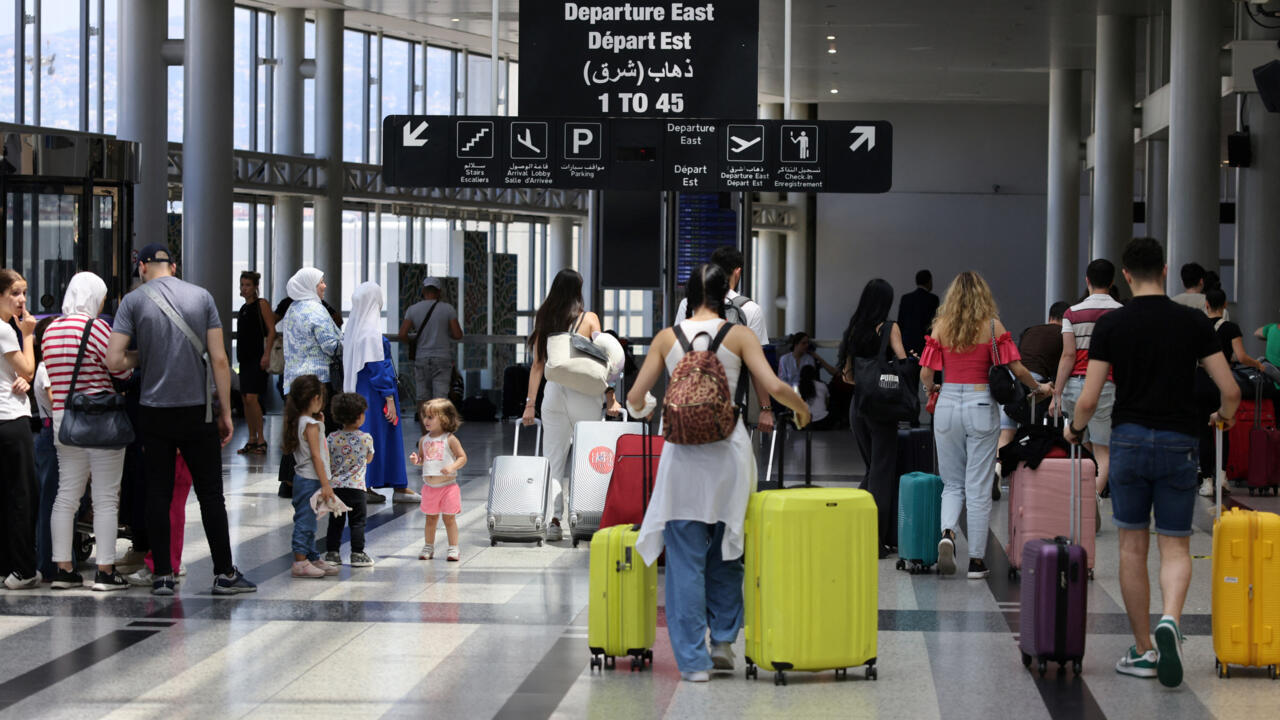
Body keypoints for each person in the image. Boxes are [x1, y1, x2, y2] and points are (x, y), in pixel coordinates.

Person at [1064, 237, 1239, 687]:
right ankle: (1171, 621)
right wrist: (1224, 417)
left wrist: (1075, 430)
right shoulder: (1193, 321)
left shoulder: (1112, 326)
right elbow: (1231, 390)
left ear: (1125, 274)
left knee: (1131, 547)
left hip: (1128, 442)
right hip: (1180, 441)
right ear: (1165, 269)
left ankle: (1144, 648)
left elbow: (1087, 398)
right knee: (1176, 545)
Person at [626, 263, 810, 683]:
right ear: (726, 292)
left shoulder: (666, 339)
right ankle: (724, 641)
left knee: (685, 559)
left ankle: (693, 662)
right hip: (729, 453)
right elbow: (776, 387)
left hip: (681, 459)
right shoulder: (740, 335)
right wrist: (802, 410)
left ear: (689, 294)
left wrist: (647, 409)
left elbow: (636, 397)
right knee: (729, 549)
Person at [105, 243, 256, 596]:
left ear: (142, 267)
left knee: (157, 493)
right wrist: (223, 412)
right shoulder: (201, 297)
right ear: (173, 266)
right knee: (210, 495)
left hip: (153, 412)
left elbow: (114, 361)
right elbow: (220, 359)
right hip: (196, 412)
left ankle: (162, 576)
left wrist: (144, 357)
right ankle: (224, 573)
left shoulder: (133, 301)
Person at [919, 271, 1050, 579]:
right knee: (977, 486)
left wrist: (932, 390)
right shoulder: (992, 326)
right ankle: (977, 561)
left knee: (952, 483)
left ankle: (948, 534)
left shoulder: (941, 326)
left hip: (948, 402)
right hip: (980, 404)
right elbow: (1016, 368)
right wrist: (1038, 389)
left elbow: (926, 372)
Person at [45, 272, 133, 591]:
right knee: (106, 497)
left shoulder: (51, 330)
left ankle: (63, 569)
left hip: (63, 420)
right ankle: (105, 571)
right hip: (100, 419)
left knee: (67, 494)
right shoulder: (97, 328)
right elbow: (119, 368)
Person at [522, 269, 619, 541]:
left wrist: (530, 404)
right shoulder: (589, 319)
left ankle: (554, 521)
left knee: (553, 460)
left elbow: (538, 365)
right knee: (588, 457)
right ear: (579, 290)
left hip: (553, 392)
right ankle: (585, 515)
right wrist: (610, 396)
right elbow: (604, 361)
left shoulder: (545, 317)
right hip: (584, 393)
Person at [837, 278, 908, 557]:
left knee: (872, 469)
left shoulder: (854, 329)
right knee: (881, 473)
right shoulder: (890, 328)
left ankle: (851, 523)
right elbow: (902, 364)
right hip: (881, 410)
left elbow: (847, 375)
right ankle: (873, 538)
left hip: (858, 407)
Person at [674, 246, 776, 433]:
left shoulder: (688, 303)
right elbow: (757, 367)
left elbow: (677, 354)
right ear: (738, 271)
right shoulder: (750, 309)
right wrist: (765, 409)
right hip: (731, 404)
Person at [1053, 259, 1123, 521]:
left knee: (1078, 444)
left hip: (1074, 386)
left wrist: (1057, 393)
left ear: (1087, 280)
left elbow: (1068, 355)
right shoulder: (1120, 312)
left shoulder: (1072, 313)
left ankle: (1079, 497)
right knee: (1104, 449)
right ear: (1113, 281)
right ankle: (1092, 495)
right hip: (1106, 384)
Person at [346, 282, 414, 504]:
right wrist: (389, 399)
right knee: (379, 437)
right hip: (376, 397)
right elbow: (379, 369)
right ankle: (393, 485)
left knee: (367, 437)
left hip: (360, 392)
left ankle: (367, 484)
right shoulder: (371, 333)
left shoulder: (353, 330)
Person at [1195, 288, 1264, 496]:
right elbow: (1241, 356)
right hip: (1222, 381)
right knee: (1223, 428)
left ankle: (1206, 481)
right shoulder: (1231, 328)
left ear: (1206, 304)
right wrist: (1257, 365)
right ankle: (1222, 477)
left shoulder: (1198, 326)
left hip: (1200, 381)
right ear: (1225, 305)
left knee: (1204, 432)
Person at [0, 268, 40, 589]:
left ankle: (7, 565)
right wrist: (27, 334)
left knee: (7, 495)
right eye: (14, 293)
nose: (22, 299)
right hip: (12, 419)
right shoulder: (6, 330)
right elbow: (27, 367)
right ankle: (24, 569)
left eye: (24, 292)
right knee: (23, 496)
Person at [282, 374, 339, 579]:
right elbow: (317, 456)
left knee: (309, 520)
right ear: (315, 399)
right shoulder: (311, 426)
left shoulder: (301, 421)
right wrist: (326, 484)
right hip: (311, 479)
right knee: (305, 522)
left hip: (302, 479)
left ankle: (311, 556)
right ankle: (300, 563)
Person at [323, 392, 375, 568]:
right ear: (360, 416)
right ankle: (357, 553)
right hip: (357, 487)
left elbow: (326, 459)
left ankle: (332, 553)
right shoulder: (366, 438)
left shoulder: (331, 438)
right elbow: (369, 458)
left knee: (335, 522)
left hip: (336, 487)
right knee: (357, 522)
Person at [411, 398, 467, 562]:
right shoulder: (424, 440)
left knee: (449, 519)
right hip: (429, 488)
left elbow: (462, 457)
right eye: (424, 417)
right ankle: (429, 545)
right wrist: (417, 460)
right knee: (430, 519)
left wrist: (452, 467)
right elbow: (424, 459)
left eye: (430, 417)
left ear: (444, 419)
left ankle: (453, 547)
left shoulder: (450, 439)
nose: (425, 421)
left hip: (448, 487)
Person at [399, 277, 463, 405]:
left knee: (422, 396)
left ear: (423, 291)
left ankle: (425, 424)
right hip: (442, 359)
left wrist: (412, 342)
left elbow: (402, 334)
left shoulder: (413, 309)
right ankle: (438, 425)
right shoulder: (448, 309)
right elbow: (458, 334)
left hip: (421, 358)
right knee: (440, 399)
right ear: (439, 292)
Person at [235, 271, 276, 455]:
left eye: (248, 285)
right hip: (244, 359)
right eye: (242, 285)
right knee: (245, 399)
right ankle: (251, 438)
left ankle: (261, 439)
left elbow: (271, 331)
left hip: (258, 358)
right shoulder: (243, 309)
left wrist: (266, 354)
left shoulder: (261, 304)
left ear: (255, 287)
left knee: (252, 398)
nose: (244, 288)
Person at [31, 317, 59, 581]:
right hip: (51, 435)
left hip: (49, 434)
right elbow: (54, 398)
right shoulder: (46, 367)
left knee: (54, 501)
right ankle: (49, 564)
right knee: (51, 502)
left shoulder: (46, 366)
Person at [898, 269, 940, 358]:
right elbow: (934, 323)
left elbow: (900, 323)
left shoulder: (906, 298)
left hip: (908, 343)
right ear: (929, 281)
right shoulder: (933, 299)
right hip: (925, 343)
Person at [798, 365, 831, 431]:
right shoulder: (822, 385)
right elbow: (827, 403)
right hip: (823, 419)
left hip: (806, 422)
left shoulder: (798, 388)